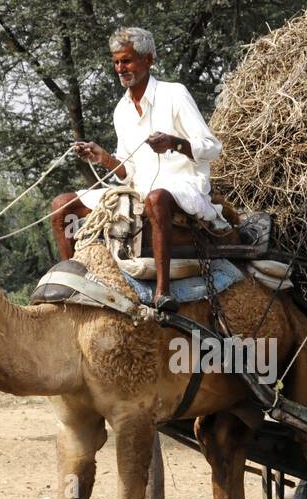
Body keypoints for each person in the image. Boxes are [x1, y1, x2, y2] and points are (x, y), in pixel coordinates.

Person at [49, 27, 229, 314]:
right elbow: (128, 171)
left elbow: (212, 147)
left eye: (127, 61)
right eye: (116, 62)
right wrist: (103, 158)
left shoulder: (174, 94)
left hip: (183, 186)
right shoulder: (121, 110)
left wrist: (174, 143)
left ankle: (162, 293)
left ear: (148, 60)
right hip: (137, 191)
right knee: (62, 207)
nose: (120, 68)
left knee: (156, 199)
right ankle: (73, 286)